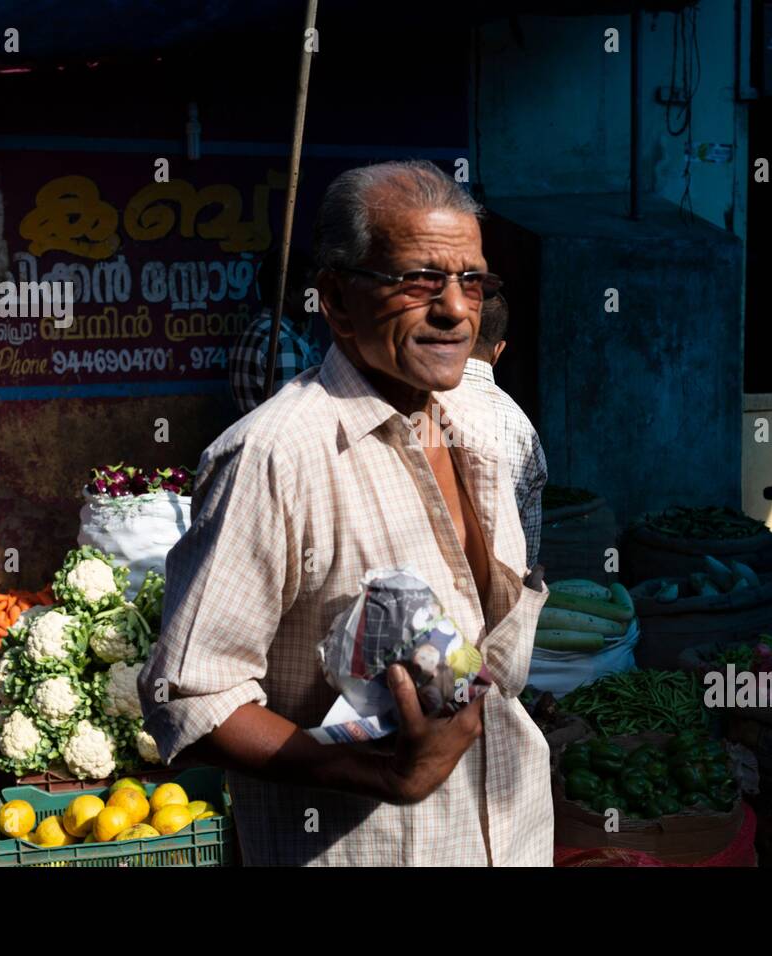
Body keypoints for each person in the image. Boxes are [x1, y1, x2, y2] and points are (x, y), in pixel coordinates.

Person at [139, 160, 553, 866]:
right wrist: (378, 774)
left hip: (511, 836)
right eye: (418, 280)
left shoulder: (481, 426)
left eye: (471, 280)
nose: (455, 308)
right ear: (334, 298)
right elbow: (191, 697)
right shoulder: (274, 457)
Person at [459, 294, 547, 568]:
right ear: (498, 351)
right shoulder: (523, 429)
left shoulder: (413, 404)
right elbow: (526, 558)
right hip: (496, 599)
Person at [228, 247, 323, 415]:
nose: (315, 300)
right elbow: (294, 417)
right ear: (288, 293)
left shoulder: (250, 332)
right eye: (310, 292)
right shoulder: (284, 344)